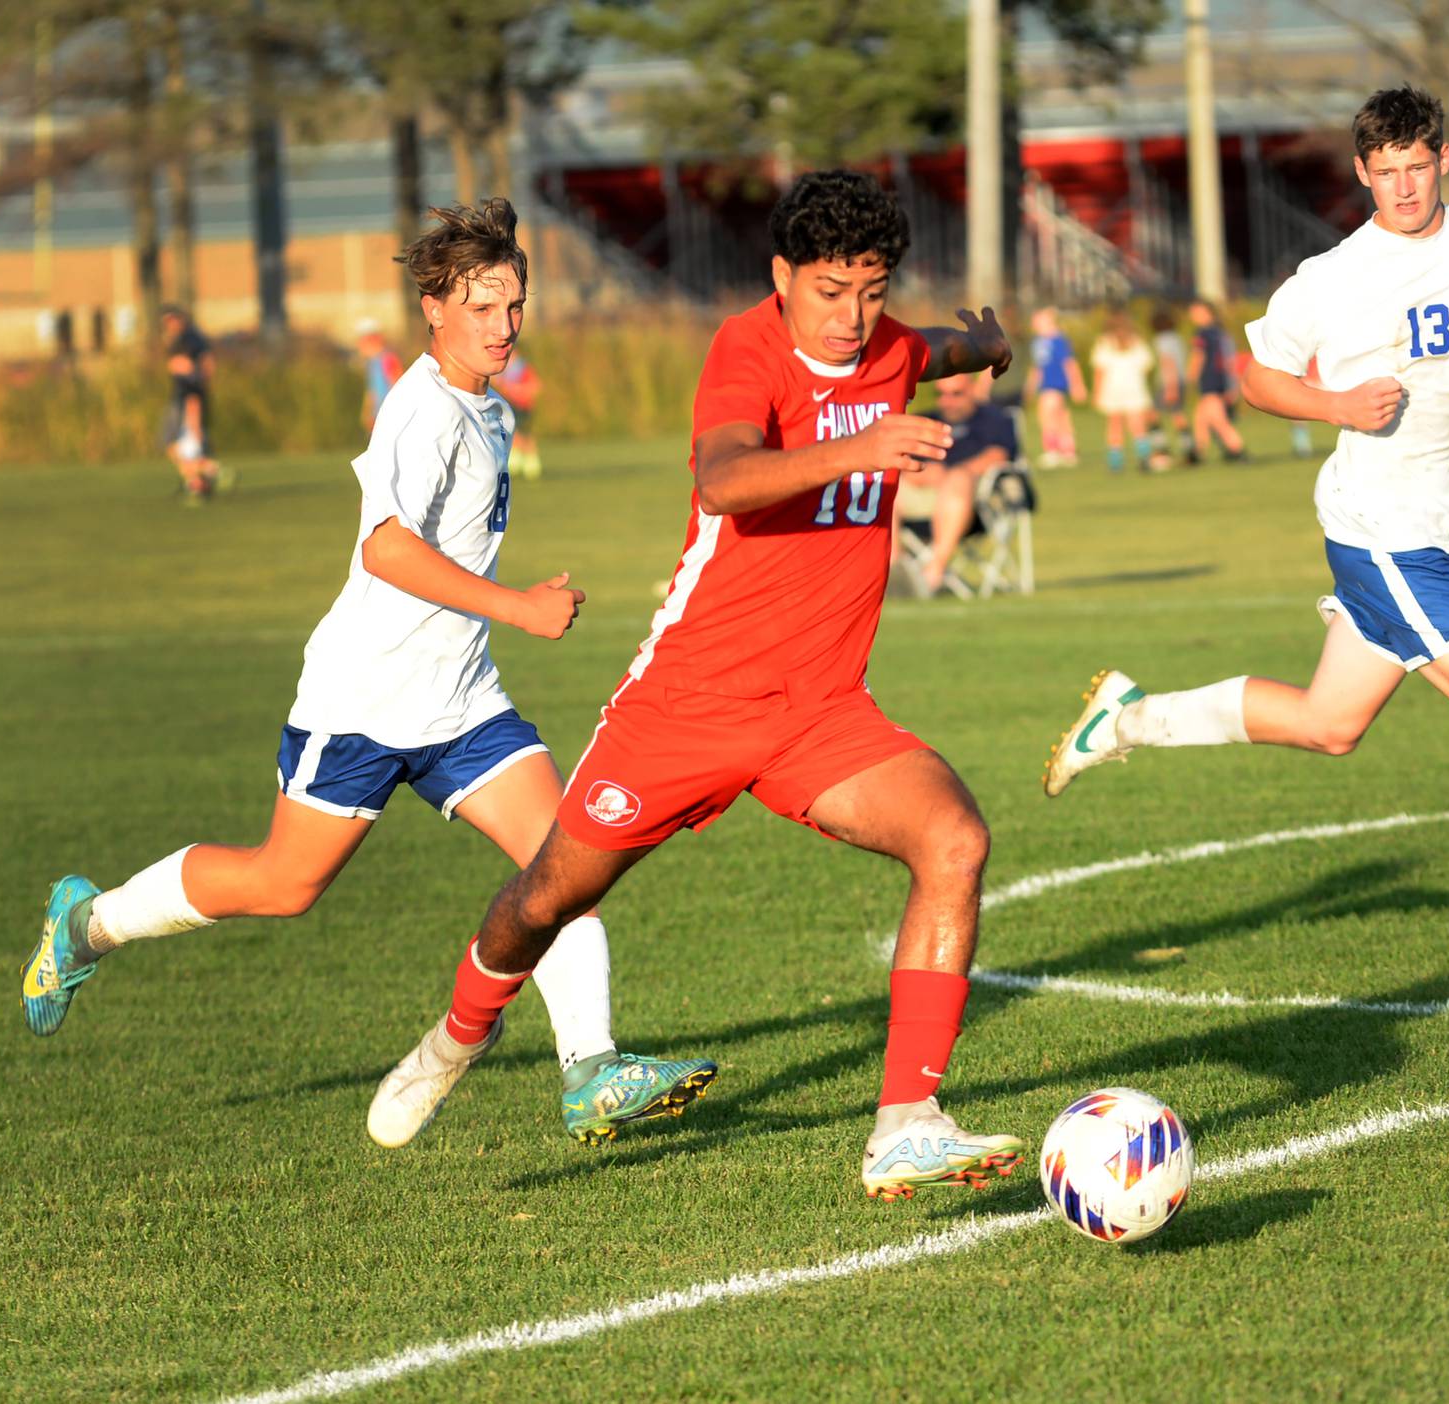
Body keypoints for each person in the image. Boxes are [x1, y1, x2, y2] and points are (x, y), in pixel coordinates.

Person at [370, 170, 1025, 1201]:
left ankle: (905, 1122)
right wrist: (860, 443)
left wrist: (984, 345)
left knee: (954, 838)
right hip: (688, 702)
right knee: (547, 895)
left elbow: (925, 348)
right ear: (780, 277)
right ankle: (451, 1045)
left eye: (870, 288)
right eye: (827, 291)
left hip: (818, 712)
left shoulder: (888, 344)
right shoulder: (745, 349)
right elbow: (723, 476)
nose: (852, 316)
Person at [22, 199, 718, 1146]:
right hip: (362, 703)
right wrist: (516, 605)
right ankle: (89, 924)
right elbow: (387, 550)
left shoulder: (489, 409)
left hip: (462, 701)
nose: (504, 325)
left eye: (514, 305)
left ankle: (588, 1066)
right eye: (482, 307)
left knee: (563, 866)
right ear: (433, 307)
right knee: (283, 884)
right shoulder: (421, 409)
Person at [1042, 85, 1449, 971]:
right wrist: (1334, 404)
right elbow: (1256, 380)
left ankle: (1132, 719)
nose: (1405, 189)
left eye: (1420, 167)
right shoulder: (1334, 276)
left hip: (1431, 530)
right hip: (1380, 531)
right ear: (1363, 173)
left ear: (1443, 158)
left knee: (1331, 724)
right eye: (1387, 173)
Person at [891, 371, 1018, 596]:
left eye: (956, 393)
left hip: (974, 504)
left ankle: (933, 572)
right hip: (921, 497)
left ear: (972, 390)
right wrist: (922, 472)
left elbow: (998, 455)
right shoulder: (925, 421)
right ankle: (894, 569)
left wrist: (953, 474)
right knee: (884, 486)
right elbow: (899, 459)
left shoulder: (995, 419)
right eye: (942, 394)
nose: (947, 400)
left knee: (958, 479)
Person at [161, 305, 227, 503]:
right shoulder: (191, 337)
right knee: (183, 446)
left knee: (179, 445)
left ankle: (212, 472)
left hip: (188, 400)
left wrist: (195, 402)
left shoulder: (189, 341)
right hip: (185, 398)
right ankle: (198, 482)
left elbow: (204, 365)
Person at [1090, 308, 1155, 473]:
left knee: (1115, 425)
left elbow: (1099, 371)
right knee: (1137, 425)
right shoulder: (1137, 343)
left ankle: (1116, 462)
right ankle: (1144, 457)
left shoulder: (1104, 343)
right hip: (1134, 388)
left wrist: (1096, 393)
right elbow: (1147, 367)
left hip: (1112, 389)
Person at [1187, 300, 1247, 464]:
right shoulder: (1220, 333)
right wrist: (1232, 383)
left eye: (1196, 312)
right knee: (1200, 418)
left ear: (1207, 313)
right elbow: (1230, 360)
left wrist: (1190, 377)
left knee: (1218, 420)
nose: (1192, 316)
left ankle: (1238, 450)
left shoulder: (1202, 333)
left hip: (1210, 381)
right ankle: (1197, 453)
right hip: (1220, 381)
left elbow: (1198, 357)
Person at [1027, 306, 1085, 467]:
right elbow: (1037, 367)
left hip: (1057, 383)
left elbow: (1070, 364)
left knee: (1047, 415)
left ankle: (1052, 451)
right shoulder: (1037, 342)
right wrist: (1031, 386)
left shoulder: (1059, 340)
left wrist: (1077, 385)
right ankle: (1068, 450)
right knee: (1060, 417)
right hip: (1045, 385)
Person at [1148, 307, 1188, 470]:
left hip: (1167, 382)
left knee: (1153, 416)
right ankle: (1189, 450)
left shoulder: (1161, 340)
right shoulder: (1177, 339)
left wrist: (1170, 387)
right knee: (1178, 415)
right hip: (1180, 380)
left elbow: (1168, 362)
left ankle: (1161, 450)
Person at [492, 353, 543, 480]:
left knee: (525, 436)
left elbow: (536, 386)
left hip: (523, 406)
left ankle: (531, 464)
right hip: (511, 406)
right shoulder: (504, 368)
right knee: (514, 434)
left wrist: (520, 390)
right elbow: (498, 382)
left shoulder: (522, 368)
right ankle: (518, 463)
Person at [357, 319, 403, 432]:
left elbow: (398, 387)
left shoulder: (388, 359)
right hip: (378, 416)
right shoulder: (371, 363)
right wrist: (368, 413)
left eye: (362, 342)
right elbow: (372, 391)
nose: (359, 346)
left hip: (390, 416)